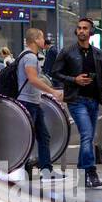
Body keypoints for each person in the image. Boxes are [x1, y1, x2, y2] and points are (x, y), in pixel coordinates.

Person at [50, 17, 102, 189]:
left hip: (93, 100)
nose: (81, 31)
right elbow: (55, 73)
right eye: (79, 28)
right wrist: (74, 79)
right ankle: (91, 171)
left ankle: (82, 173)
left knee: (89, 136)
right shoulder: (67, 52)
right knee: (87, 134)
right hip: (76, 100)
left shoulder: (97, 53)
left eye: (85, 28)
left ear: (91, 32)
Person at [13, 28, 65, 180]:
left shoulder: (29, 56)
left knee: (43, 136)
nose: (44, 41)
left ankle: (46, 170)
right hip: (28, 102)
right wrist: (52, 91)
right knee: (29, 137)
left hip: (33, 101)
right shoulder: (30, 58)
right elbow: (33, 79)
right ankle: (23, 167)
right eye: (42, 38)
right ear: (35, 40)